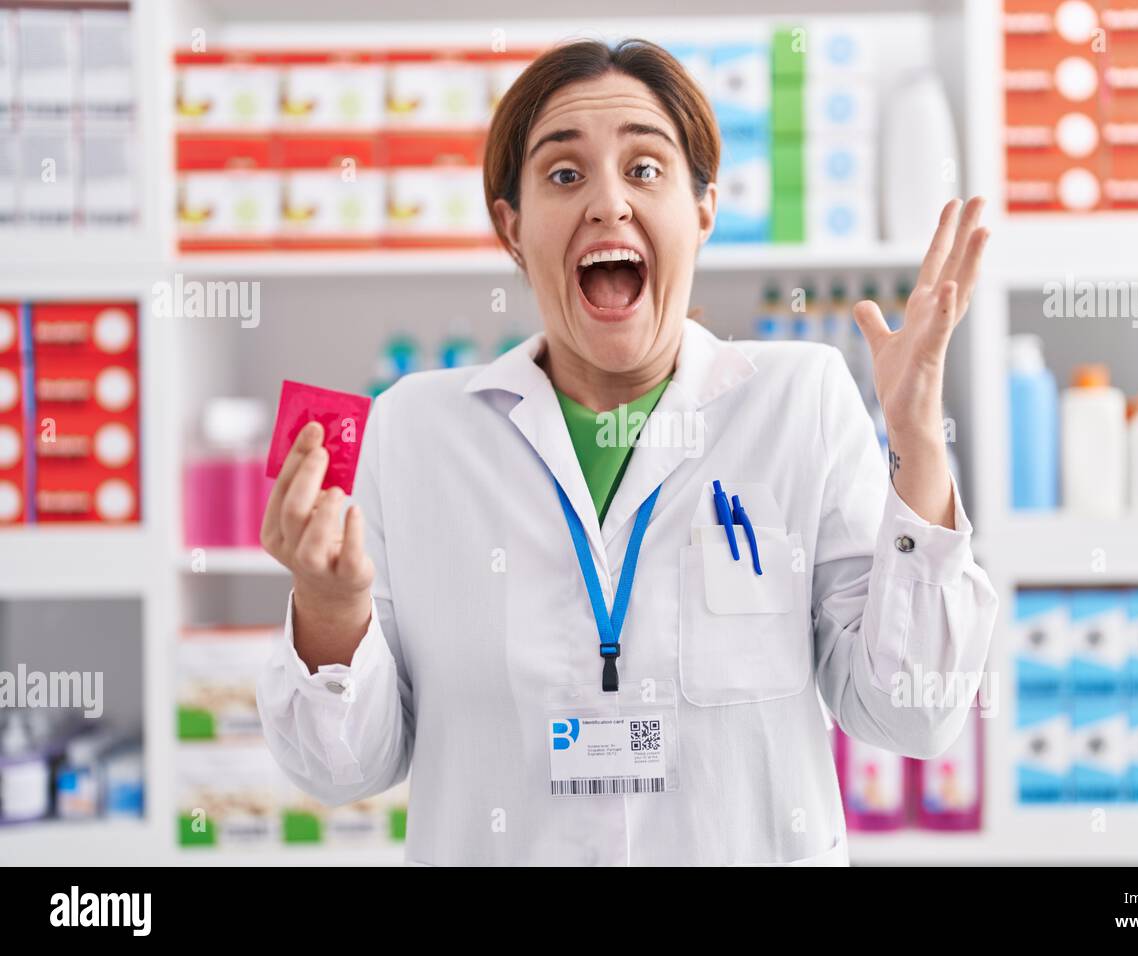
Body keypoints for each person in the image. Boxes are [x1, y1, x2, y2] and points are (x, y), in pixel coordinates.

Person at [257, 38, 997, 866]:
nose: (608, 204)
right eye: (564, 175)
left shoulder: (802, 401)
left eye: (646, 169)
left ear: (703, 208)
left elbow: (912, 710)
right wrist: (327, 610)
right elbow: (338, 771)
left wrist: (919, 442)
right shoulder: (415, 433)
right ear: (511, 226)